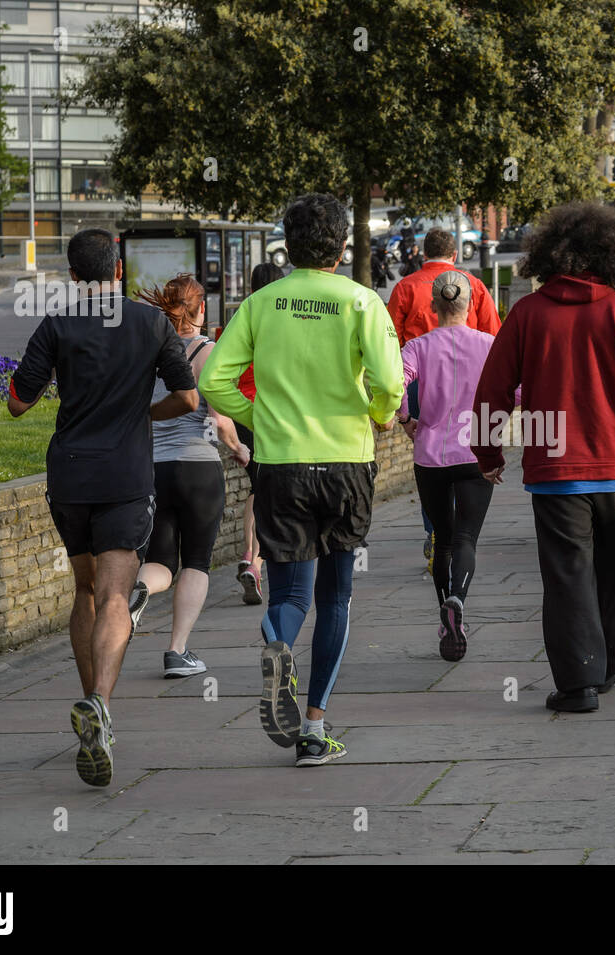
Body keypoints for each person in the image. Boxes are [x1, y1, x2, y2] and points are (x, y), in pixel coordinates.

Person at [198, 194, 404, 767]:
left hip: (281, 464)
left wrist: (258, 416)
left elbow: (214, 380)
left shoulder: (261, 304)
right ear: (342, 247)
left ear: (287, 246)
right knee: (336, 596)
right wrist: (380, 414)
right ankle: (314, 728)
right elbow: (390, 384)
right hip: (345, 465)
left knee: (290, 594)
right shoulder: (364, 302)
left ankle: (277, 643)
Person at [471, 202, 615, 712]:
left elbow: (492, 392)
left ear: (550, 255)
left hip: (555, 473)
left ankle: (578, 683)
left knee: (568, 576)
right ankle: (608, 665)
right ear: (613, 255)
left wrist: (488, 451)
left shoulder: (527, 313)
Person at [8, 228, 199, 786]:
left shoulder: (56, 324)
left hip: (69, 476)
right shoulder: (152, 323)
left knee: (86, 591)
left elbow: (20, 403)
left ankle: (93, 706)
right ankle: (100, 705)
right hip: (124, 476)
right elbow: (188, 398)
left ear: (72, 276)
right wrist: (145, 414)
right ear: (118, 271)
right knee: (118, 593)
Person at [127, 274, 250, 677]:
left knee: (162, 559)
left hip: (154, 468)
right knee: (196, 561)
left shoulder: (147, 350)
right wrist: (240, 450)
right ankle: (177, 652)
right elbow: (219, 418)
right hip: (199, 469)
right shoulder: (206, 350)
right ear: (200, 310)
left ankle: (140, 588)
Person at [397, 270, 503, 661]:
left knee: (442, 537)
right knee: (467, 538)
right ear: (471, 305)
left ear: (433, 306)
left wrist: (407, 418)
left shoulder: (418, 346)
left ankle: (445, 613)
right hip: (477, 453)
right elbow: (518, 389)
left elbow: (395, 386)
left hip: (431, 455)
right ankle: (458, 598)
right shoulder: (491, 345)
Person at [388, 227, 502, 563]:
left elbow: (388, 341)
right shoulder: (474, 285)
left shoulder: (405, 286)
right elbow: (494, 334)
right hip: (470, 375)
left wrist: (403, 415)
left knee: (431, 453)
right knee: (463, 448)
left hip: (419, 378)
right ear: (455, 255)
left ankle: (436, 530)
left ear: (424, 254)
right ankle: (462, 530)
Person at [233, 261, 286, 606]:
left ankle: (247, 555)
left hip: (243, 414)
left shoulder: (241, 318)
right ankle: (257, 563)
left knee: (255, 485)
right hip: (273, 414)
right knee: (272, 490)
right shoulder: (284, 321)